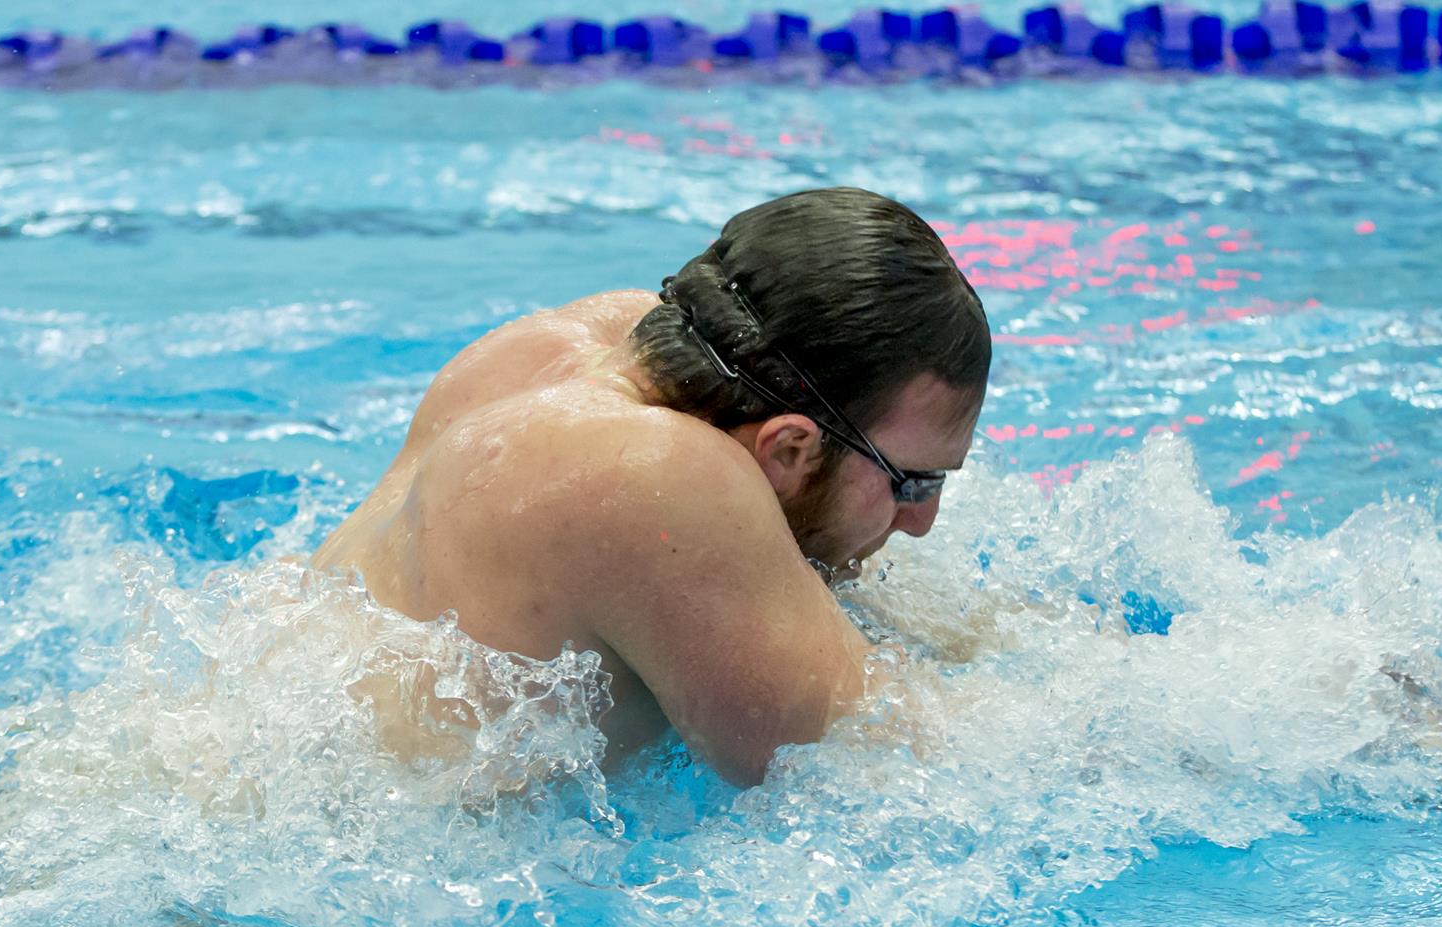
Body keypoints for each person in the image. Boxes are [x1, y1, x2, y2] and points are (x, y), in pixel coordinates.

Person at [315, 187, 989, 786]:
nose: (922, 520)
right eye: (912, 481)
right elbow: (882, 768)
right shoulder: (661, 478)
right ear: (789, 447)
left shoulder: (562, 347)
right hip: (270, 918)